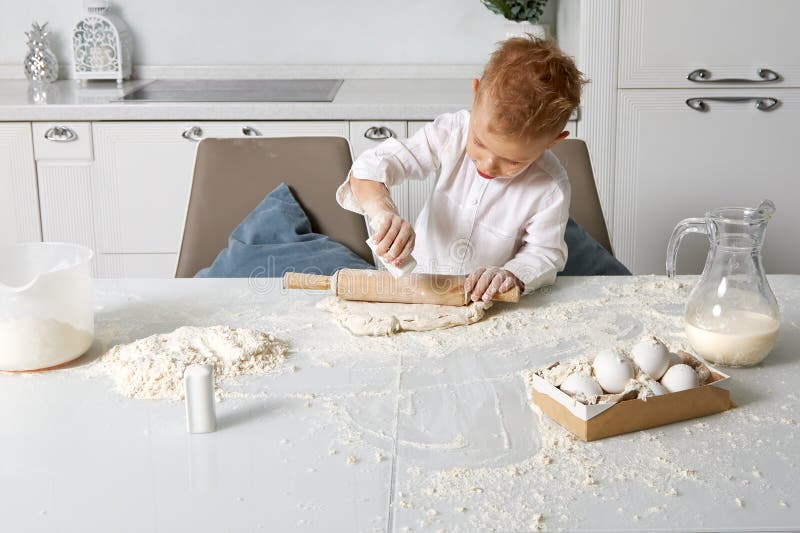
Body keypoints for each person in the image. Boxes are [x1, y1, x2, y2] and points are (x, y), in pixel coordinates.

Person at [336, 36, 587, 302]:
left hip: (485, 303)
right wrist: (382, 213)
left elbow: (545, 253)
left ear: (553, 142)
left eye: (513, 161)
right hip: (416, 288)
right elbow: (369, 168)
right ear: (475, 92)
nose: (488, 165)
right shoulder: (451, 132)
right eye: (479, 141)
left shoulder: (550, 187)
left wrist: (511, 274)